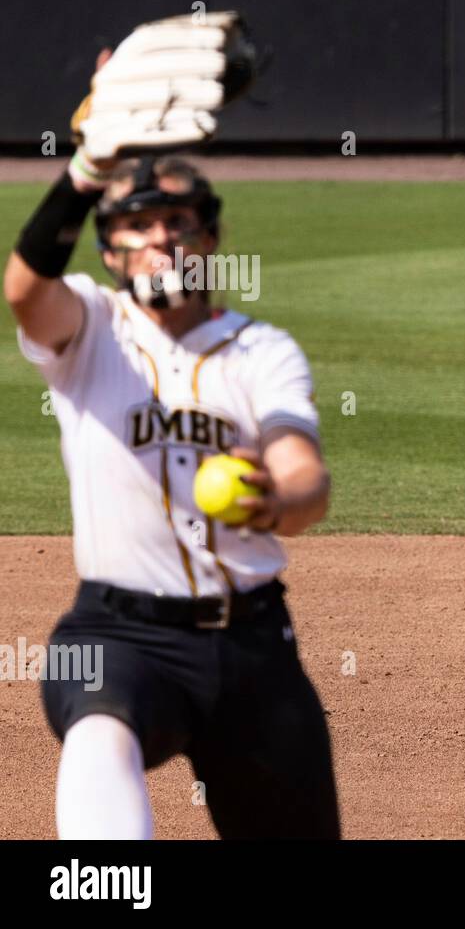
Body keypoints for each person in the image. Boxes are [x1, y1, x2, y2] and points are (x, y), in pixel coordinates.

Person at [4, 137, 340, 836]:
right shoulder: (89, 328)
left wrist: (282, 499)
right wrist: (86, 169)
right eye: (138, 223)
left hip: (252, 642)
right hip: (114, 633)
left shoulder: (260, 350)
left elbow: (303, 470)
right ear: (109, 249)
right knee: (98, 737)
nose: (161, 238)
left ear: (209, 237)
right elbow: (25, 289)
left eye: (178, 221)